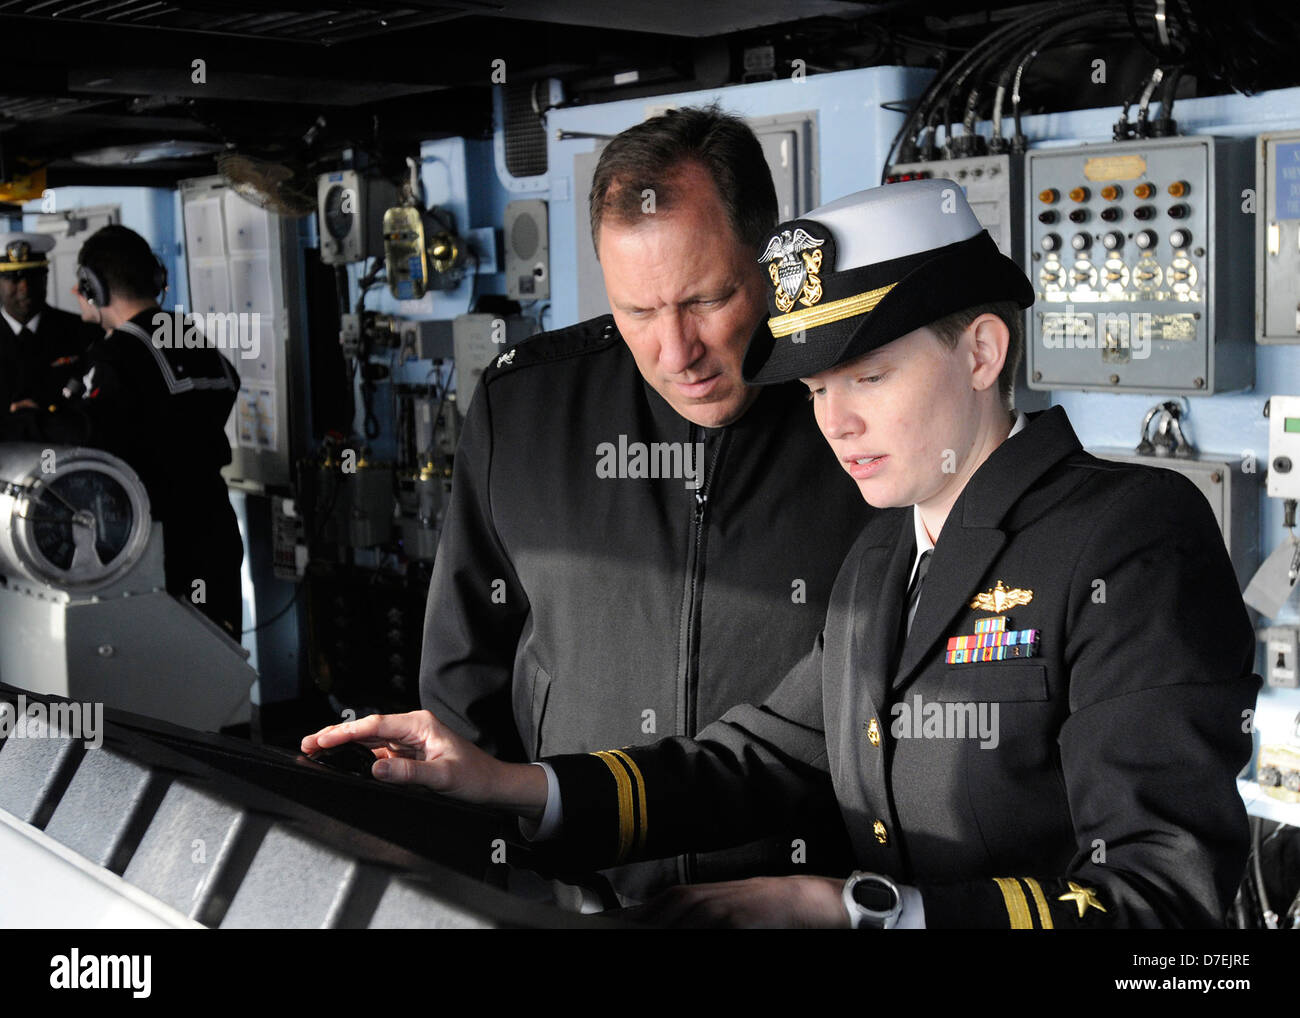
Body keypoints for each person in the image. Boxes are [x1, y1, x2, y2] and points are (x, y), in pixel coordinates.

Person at [304, 179, 1260, 928]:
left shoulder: (1130, 536)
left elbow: (1165, 910)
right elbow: (754, 761)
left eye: (869, 377)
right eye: (812, 391)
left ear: (981, 351)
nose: (835, 423)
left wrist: (849, 911)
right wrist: (500, 780)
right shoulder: (886, 554)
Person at [416, 105, 871, 902]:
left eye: (707, 299)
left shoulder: (862, 414)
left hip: (813, 902)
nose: (676, 352)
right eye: (637, 312)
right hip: (586, 891)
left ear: (768, 260)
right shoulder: (522, 409)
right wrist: (508, 878)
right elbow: (464, 674)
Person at [1, 224, 244, 636]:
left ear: (92, 286)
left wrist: (25, 422)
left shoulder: (119, 352)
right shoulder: (186, 334)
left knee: (160, 664)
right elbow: (225, 385)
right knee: (218, 657)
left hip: (156, 535)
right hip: (214, 527)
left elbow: (86, 430)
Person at [0, 232, 100, 411]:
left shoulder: (83, 333)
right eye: (14, 277)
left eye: (34, 275)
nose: (25, 287)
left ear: (46, 278)